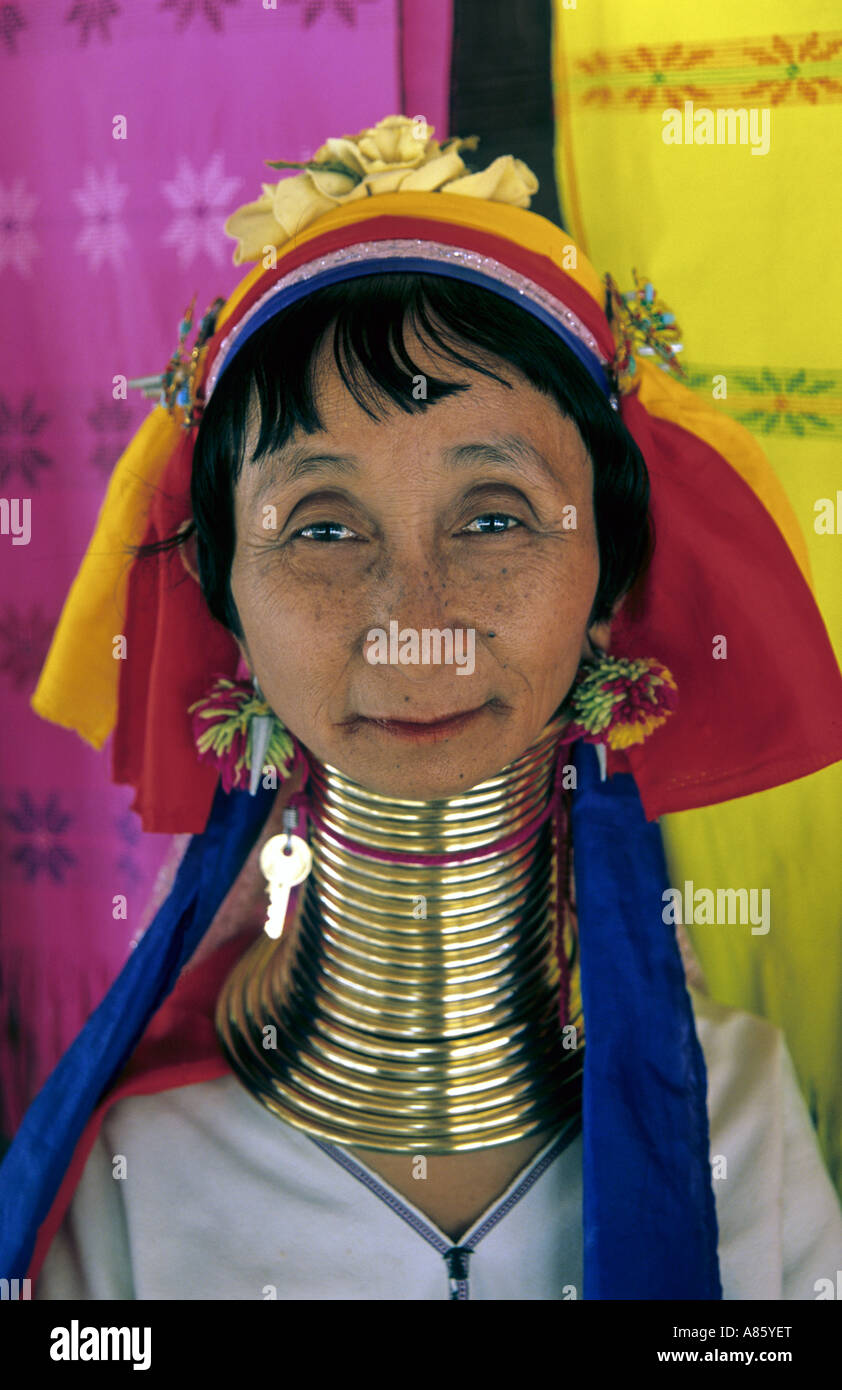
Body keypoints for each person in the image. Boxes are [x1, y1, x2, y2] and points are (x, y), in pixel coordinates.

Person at [3, 116, 842, 1301]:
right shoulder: (136, 1172)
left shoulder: (741, 1119)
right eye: (323, 528)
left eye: (494, 515)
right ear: (222, 611)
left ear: (613, 584)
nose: (413, 617)